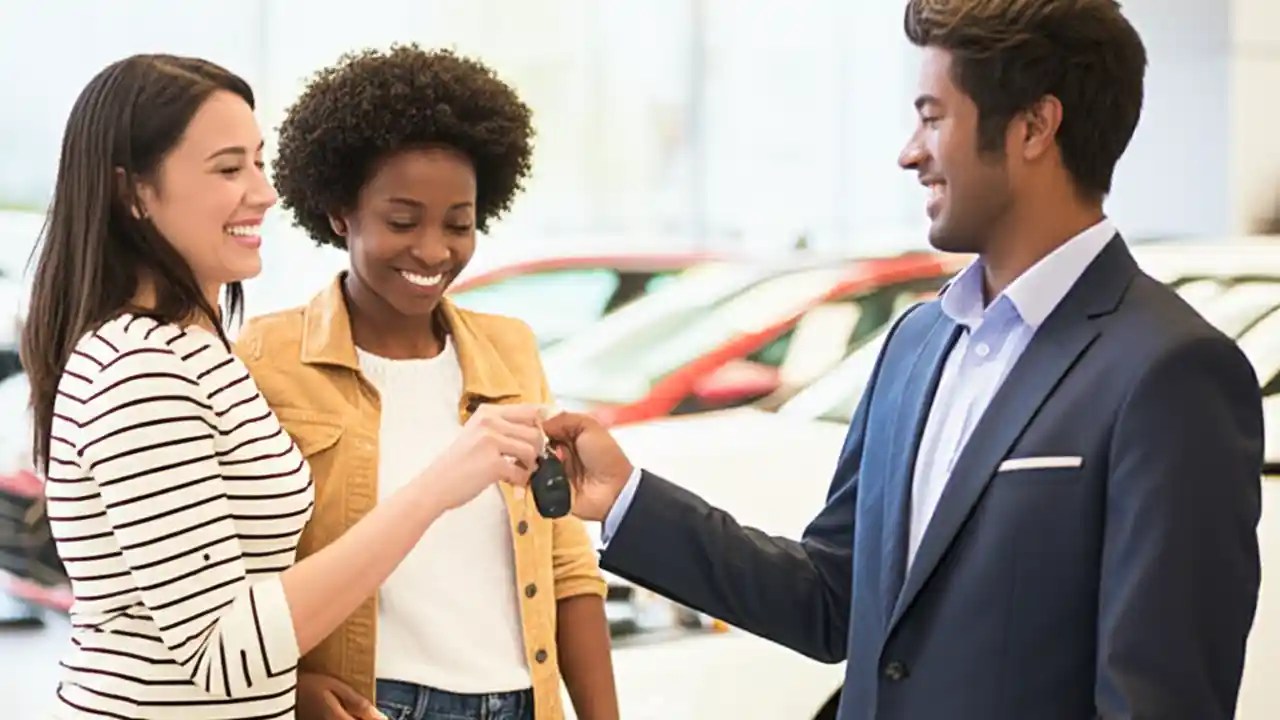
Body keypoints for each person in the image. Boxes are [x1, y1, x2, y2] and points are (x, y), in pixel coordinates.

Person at [543, 1, 1265, 718]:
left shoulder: (1171, 373)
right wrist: (627, 499)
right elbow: (834, 599)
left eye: (932, 116)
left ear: (1034, 127)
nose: (909, 151)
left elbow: (1160, 703)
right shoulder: (916, 342)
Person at [24, 53, 545, 719]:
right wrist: (439, 487)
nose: (264, 193)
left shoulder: (200, 349)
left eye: (259, 162)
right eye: (227, 168)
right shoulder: (141, 368)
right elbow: (222, 651)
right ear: (134, 192)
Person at [234, 45, 618, 720]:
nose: (435, 250)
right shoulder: (268, 357)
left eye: (459, 224)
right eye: (402, 221)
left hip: (524, 701)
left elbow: (566, 565)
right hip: (375, 701)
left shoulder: (511, 351)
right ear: (339, 213)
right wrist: (290, 686)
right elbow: (233, 583)